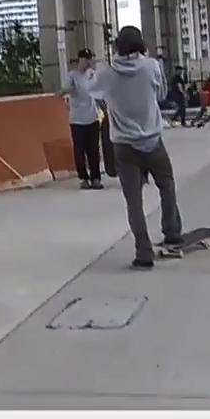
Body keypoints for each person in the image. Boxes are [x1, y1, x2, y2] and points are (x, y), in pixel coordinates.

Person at [93, 25, 183, 270]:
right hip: (152, 141)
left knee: (134, 202)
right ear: (141, 44)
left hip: (123, 146)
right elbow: (162, 93)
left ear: (117, 47)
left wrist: (111, 102)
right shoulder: (151, 66)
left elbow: (93, 92)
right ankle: (172, 231)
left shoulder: (107, 73)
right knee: (167, 185)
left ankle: (144, 253)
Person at [62, 48, 103, 190]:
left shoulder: (93, 75)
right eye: (85, 59)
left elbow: (99, 93)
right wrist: (68, 90)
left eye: (90, 59)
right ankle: (83, 178)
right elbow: (65, 89)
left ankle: (96, 177)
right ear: (80, 59)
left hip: (92, 117)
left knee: (94, 150)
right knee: (79, 151)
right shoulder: (72, 76)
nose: (88, 62)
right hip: (77, 120)